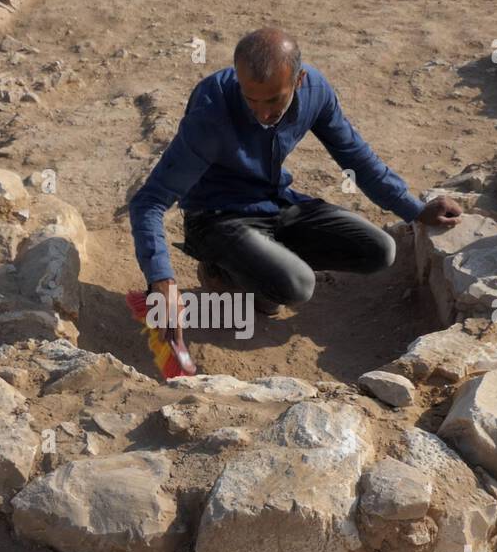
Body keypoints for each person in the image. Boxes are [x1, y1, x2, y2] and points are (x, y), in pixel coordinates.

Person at [127, 25, 462, 327]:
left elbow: (355, 156)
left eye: (274, 100)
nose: (263, 113)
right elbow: (150, 201)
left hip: (277, 203)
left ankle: (263, 264)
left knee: (379, 250)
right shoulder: (211, 114)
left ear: (299, 80)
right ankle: (223, 272)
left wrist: (414, 209)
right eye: (250, 99)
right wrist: (162, 281)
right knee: (296, 286)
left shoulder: (316, 90)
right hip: (218, 218)